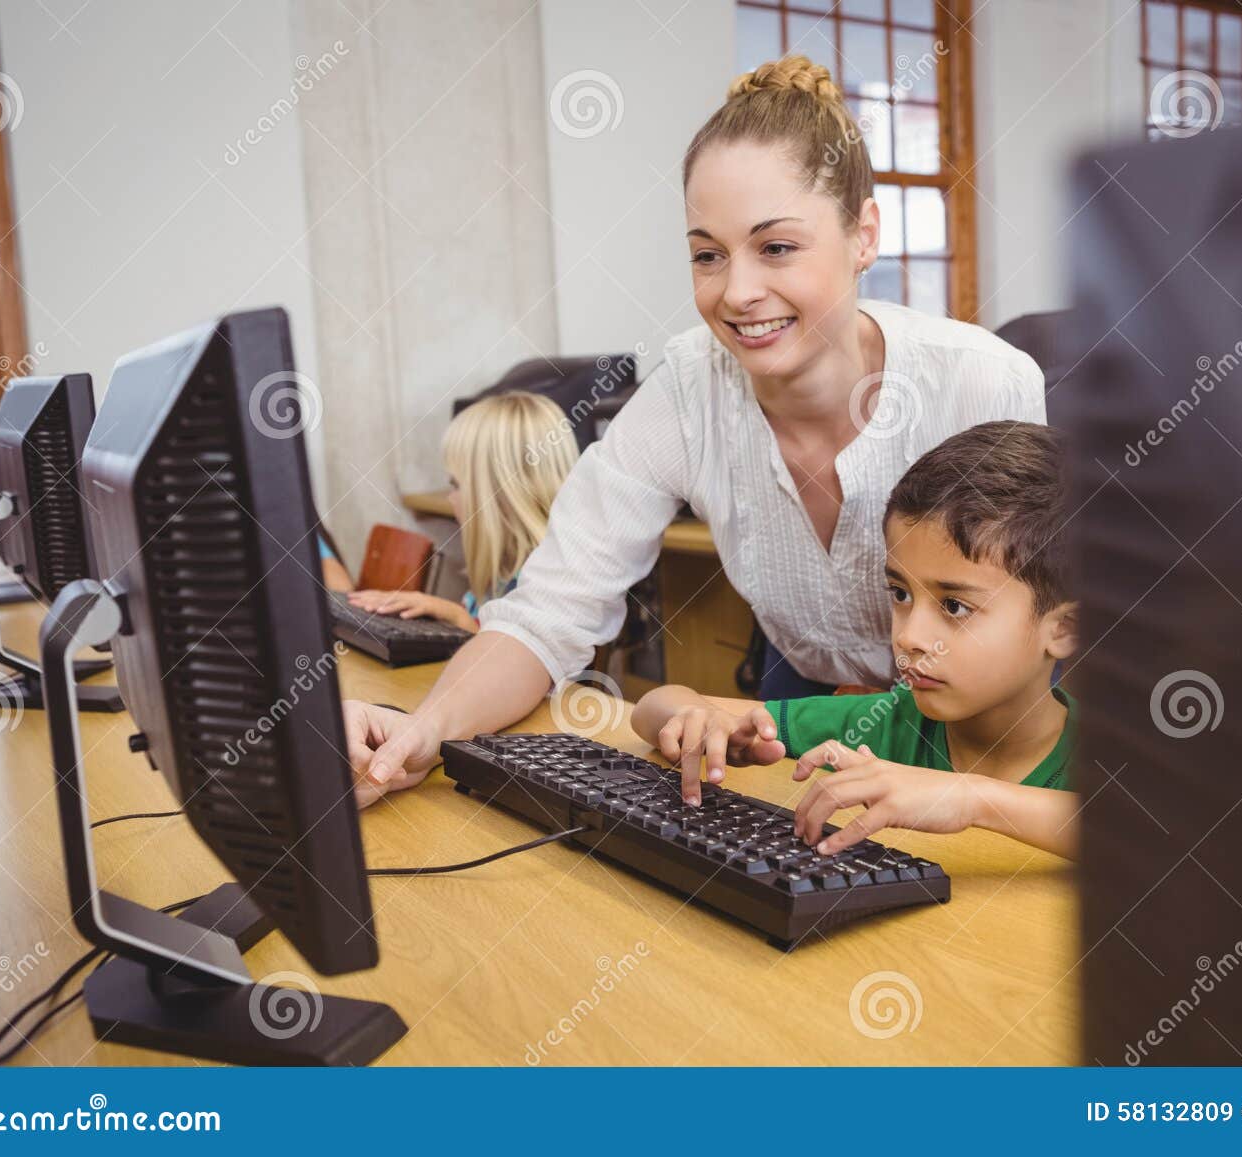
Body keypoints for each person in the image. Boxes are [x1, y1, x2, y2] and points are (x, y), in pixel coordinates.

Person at [345, 56, 1044, 808]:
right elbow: (550, 611)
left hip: (977, 715)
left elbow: (1041, 617)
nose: (738, 292)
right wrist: (424, 728)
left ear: (864, 234)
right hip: (800, 693)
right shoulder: (685, 390)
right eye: (708, 254)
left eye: (777, 247)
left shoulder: (980, 381)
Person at [629, 422, 1080, 859]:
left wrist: (972, 799)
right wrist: (700, 723)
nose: (909, 636)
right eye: (900, 594)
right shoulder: (883, 722)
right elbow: (655, 708)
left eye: (954, 606)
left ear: (1063, 628)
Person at [345, 391, 578, 631]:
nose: (450, 497)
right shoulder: (503, 569)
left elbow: (513, 660)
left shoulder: (545, 584)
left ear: (498, 494)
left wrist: (455, 616)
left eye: (456, 484)